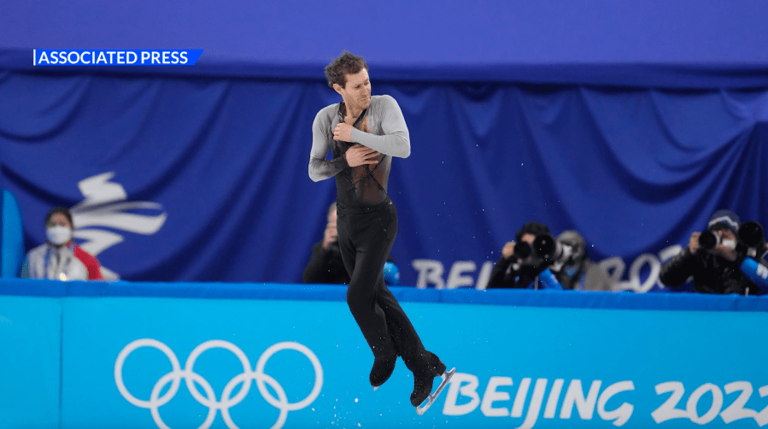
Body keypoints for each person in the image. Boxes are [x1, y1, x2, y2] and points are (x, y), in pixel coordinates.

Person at [308, 51, 449, 408]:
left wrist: (356, 135)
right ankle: (425, 365)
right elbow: (314, 170)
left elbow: (403, 146)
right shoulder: (325, 118)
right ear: (339, 88)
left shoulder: (384, 106)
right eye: (357, 86)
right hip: (346, 223)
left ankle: (386, 355)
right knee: (379, 296)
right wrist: (345, 159)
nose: (366, 89)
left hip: (379, 220)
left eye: (367, 81)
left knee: (357, 297)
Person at [659, 209, 760, 295]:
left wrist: (738, 260)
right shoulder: (702, 255)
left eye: (726, 235)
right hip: (705, 312)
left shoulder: (747, 254)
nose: (720, 239)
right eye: (717, 234)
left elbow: (763, 281)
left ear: (736, 239)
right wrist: (689, 253)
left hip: (736, 312)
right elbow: (666, 278)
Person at [303, 201, 400, 285]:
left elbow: (389, 275)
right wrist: (324, 249)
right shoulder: (324, 249)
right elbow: (309, 281)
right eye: (334, 225)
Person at [21, 207, 103, 280]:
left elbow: (97, 292)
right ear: (46, 228)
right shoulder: (33, 257)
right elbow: (23, 288)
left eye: (62, 224)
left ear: (71, 228)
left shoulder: (87, 260)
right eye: (52, 225)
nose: (57, 228)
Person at [487, 222, 553, 289]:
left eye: (534, 245)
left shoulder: (551, 271)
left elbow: (560, 294)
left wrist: (541, 267)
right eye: (525, 245)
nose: (530, 250)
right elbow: (491, 295)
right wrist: (504, 261)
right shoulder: (515, 274)